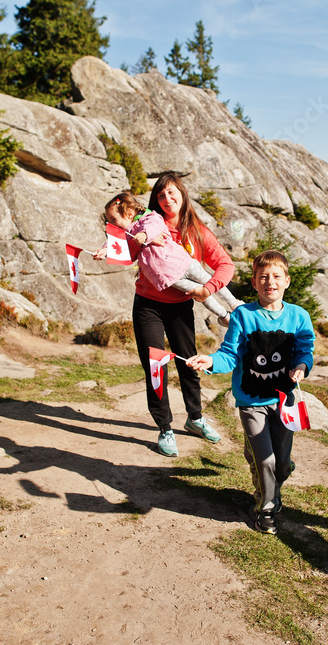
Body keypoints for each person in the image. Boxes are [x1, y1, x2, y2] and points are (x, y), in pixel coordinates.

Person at [187, 250, 315, 535]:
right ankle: (265, 510)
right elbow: (229, 355)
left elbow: (306, 349)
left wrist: (302, 366)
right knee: (265, 461)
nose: (270, 281)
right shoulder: (243, 315)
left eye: (276, 277)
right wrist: (210, 362)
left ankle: (271, 476)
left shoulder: (299, 316)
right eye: (263, 277)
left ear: (287, 282)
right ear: (255, 283)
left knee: (282, 465)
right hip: (251, 401)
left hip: (285, 401)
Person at [119, 173, 234, 457]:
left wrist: (209, 288)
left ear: (182, 194)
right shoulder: (146, 224)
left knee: (189, 361)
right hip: (148, 305)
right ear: (154, 201)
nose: (167, 200)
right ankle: (165, 428)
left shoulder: (197, 231)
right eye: (160, 195)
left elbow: (225, 265)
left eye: (171, 193)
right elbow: (124, 252)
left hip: (181, 305)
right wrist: (109, 248)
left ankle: (195, 419)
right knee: (155, 366)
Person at [92, 192, 243, 327]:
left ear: (129, 212)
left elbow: (154, 226)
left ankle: (234, 303)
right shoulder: (126, 234)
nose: (112, 224)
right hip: (170, 278)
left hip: (184, 263)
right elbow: (115, 243)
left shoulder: (149, 217)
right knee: (200, 294)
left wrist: (145, 235)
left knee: (207, 281)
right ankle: (224, 316)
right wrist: (104, 250)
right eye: (109, 221)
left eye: (114, 219)